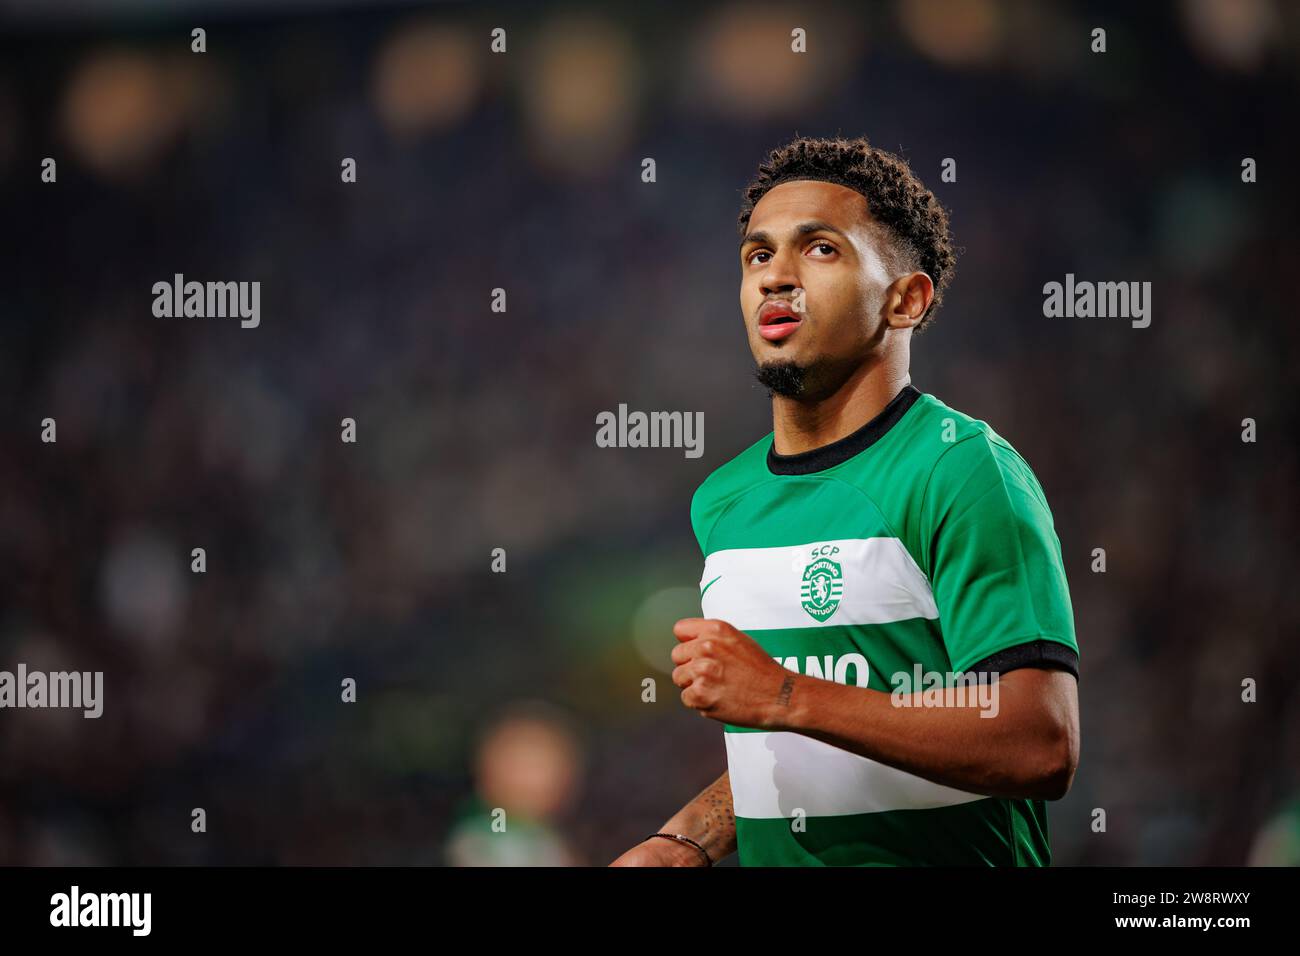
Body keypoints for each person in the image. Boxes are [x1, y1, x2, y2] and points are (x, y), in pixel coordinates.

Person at [612, 135, 1080, 867]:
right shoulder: (724, 503)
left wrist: (784, 694)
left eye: (820, 249)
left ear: (905, 299)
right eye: (757, 256)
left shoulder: (961, 471)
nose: (776, 277)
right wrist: (688, 841)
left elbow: (1039, 742)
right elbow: (814, 742)